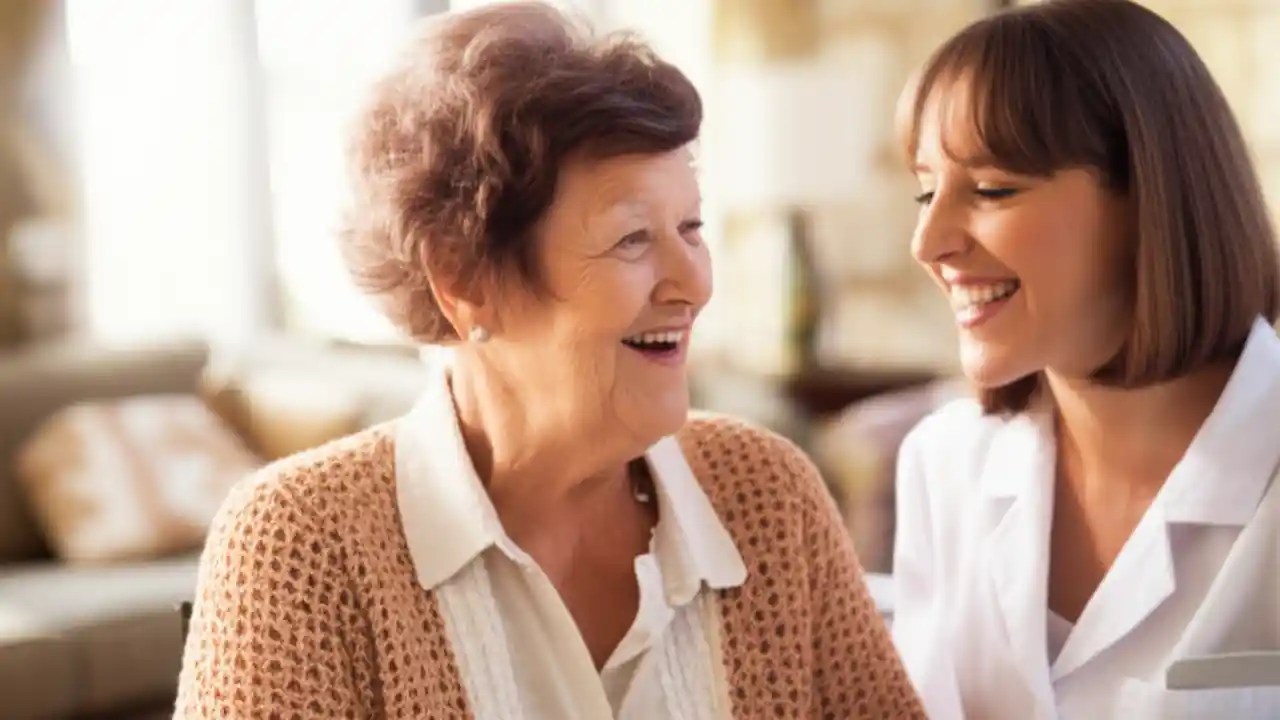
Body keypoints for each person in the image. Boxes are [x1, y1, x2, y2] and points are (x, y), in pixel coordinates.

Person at [175, 3, 925, 718]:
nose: (695, 283)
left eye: (690, 227)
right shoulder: (303, 544)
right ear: (466, 280)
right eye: (632, 238)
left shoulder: (769, 496)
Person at [890, 0, 1280, 717]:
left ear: (1151, 201)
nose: (929, 240)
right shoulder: (943, 466)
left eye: (990, 190)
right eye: (925, 190)